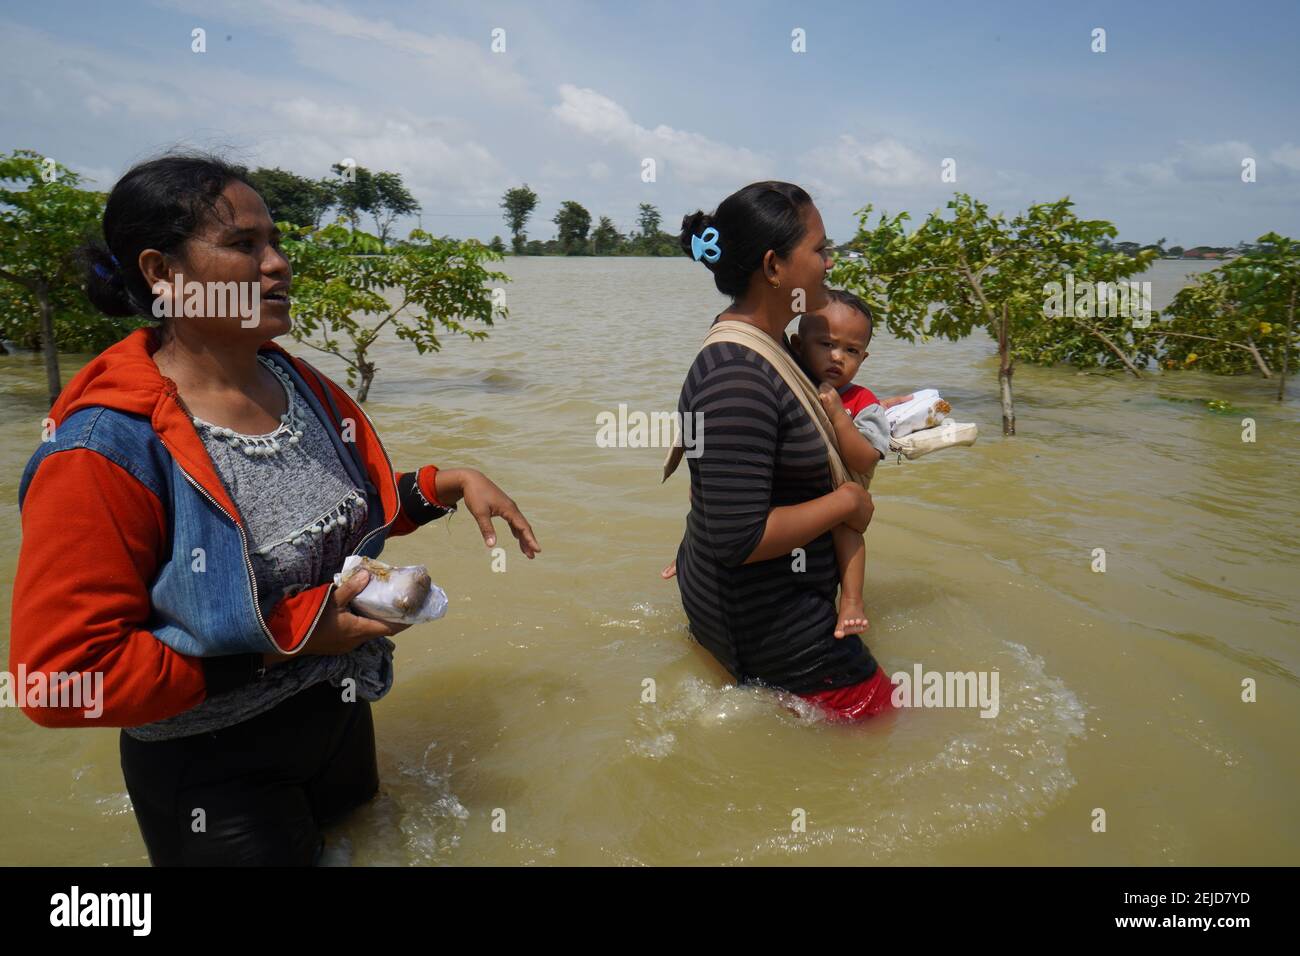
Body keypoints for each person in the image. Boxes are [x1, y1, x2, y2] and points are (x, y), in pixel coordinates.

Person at [8, 153, 540, 865]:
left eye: (276, 241)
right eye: (242, 245)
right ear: (162, 272)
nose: (279, 264)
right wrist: (275, 648)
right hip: (215, 770)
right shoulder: (106, 449)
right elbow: (63, 680)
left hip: (340, 709)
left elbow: (332, 517)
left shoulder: (294, 383)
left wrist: (442, 485)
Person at [663, 181, 895, 722]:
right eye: (818, 249)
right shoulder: (739, 378)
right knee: (896, 732)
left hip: (738, 614)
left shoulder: (767, 347)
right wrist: (847, 505)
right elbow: (740, 538)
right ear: (773, 267)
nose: (829, 262)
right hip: (783, 638)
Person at [794, 290, 913, 638]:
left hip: (843, 493)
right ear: (798, 345)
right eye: (826, 344)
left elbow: (864, 458)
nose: (837, 357)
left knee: (848, 534)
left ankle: (851, 601)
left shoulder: (864, 402)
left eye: (851, 351)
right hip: (800, 495)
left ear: (864, 357)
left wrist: (838, 415)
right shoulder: (794, 382)